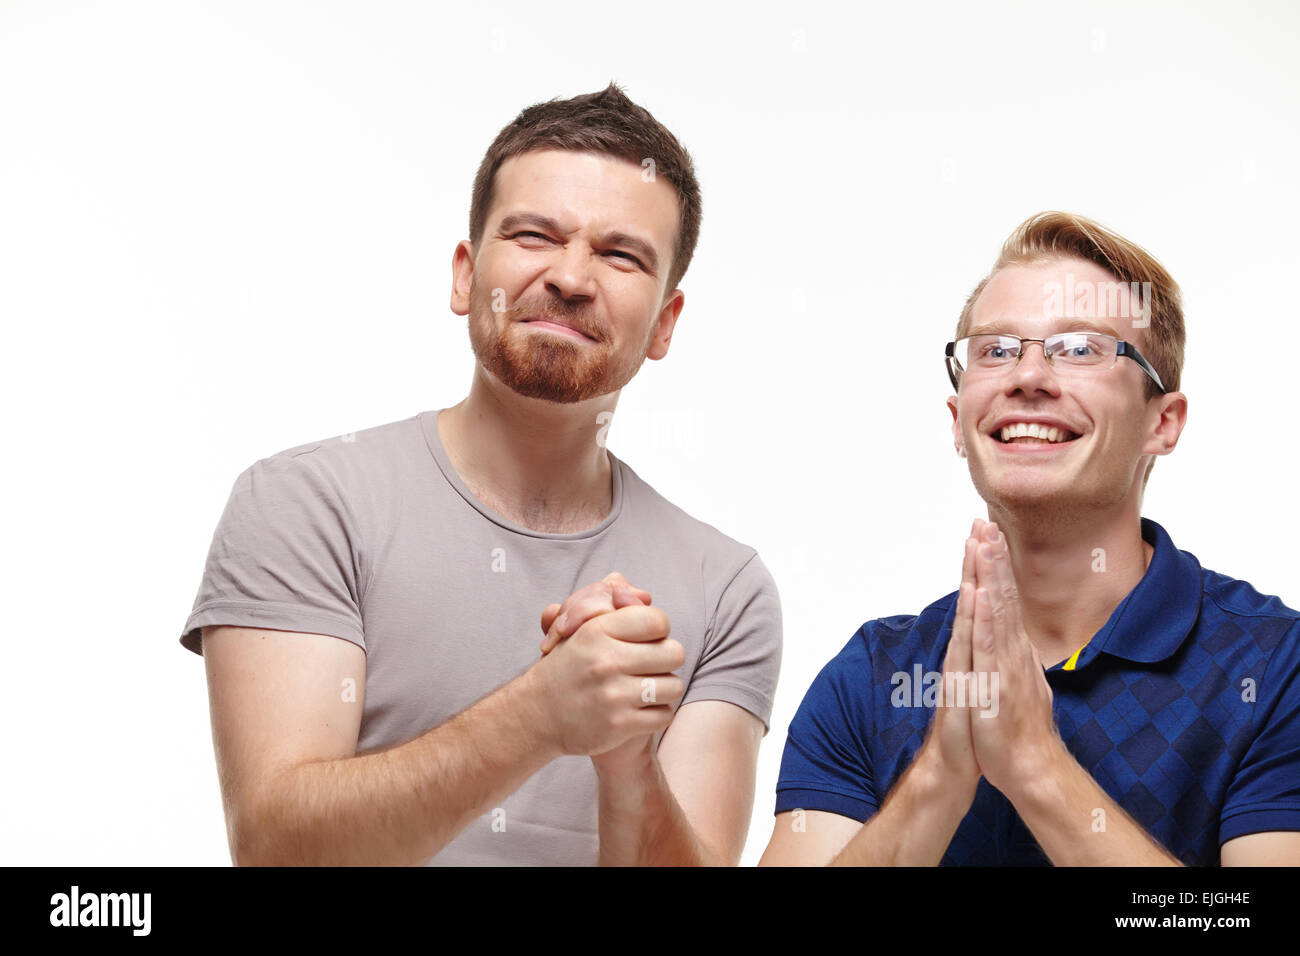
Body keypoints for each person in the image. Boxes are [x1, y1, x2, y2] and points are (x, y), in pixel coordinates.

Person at [179, 83, 782, 866]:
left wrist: (627, 756)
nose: (571, 277)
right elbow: (276, 849)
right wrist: (539, 714)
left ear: (664, 322)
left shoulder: (726, 589)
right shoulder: (306, 504)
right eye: (535, 235)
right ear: (466, 277)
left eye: (619, 254)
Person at [760, 211, 1300, 866]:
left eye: (1080, 349)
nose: (1028, 376)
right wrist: (938, 779)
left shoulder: (1275, 668)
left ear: (1163, 422)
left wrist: (1036, 767)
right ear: (958, 422)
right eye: (995, 350)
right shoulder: (872, 677)